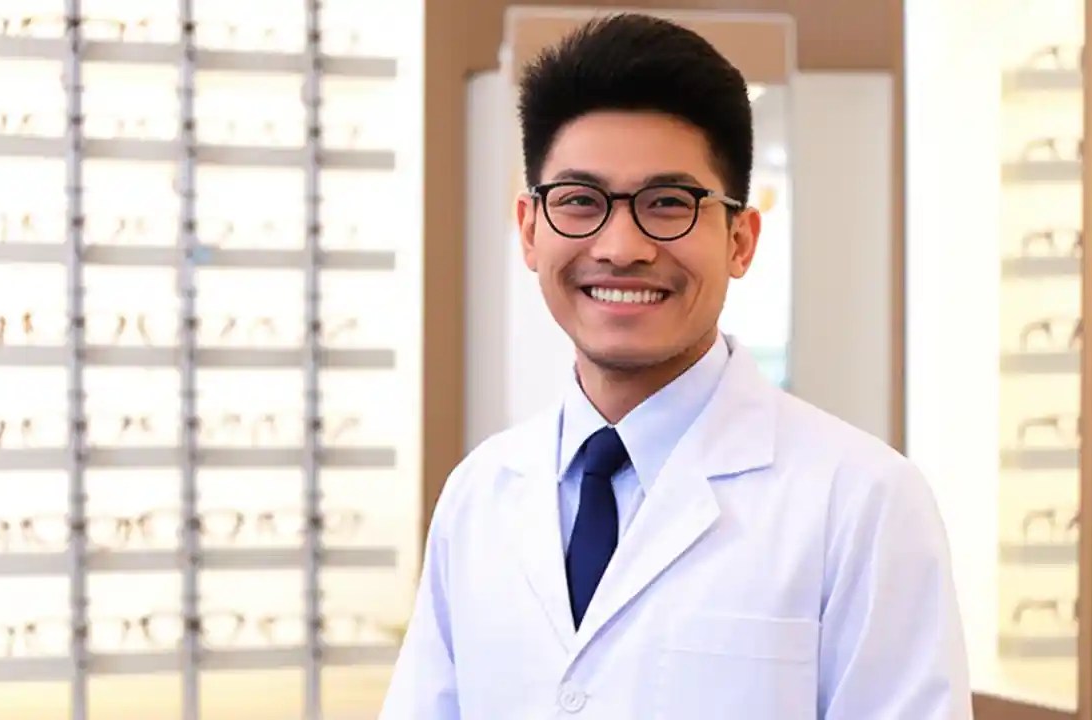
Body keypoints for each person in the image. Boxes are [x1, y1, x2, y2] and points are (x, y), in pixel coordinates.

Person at [381, 13, 970, 720]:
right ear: (530, 231)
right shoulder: (477, 496)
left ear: (741, 241)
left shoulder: (863, 502)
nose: (621, 245)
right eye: (580, 202)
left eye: (669, 203)